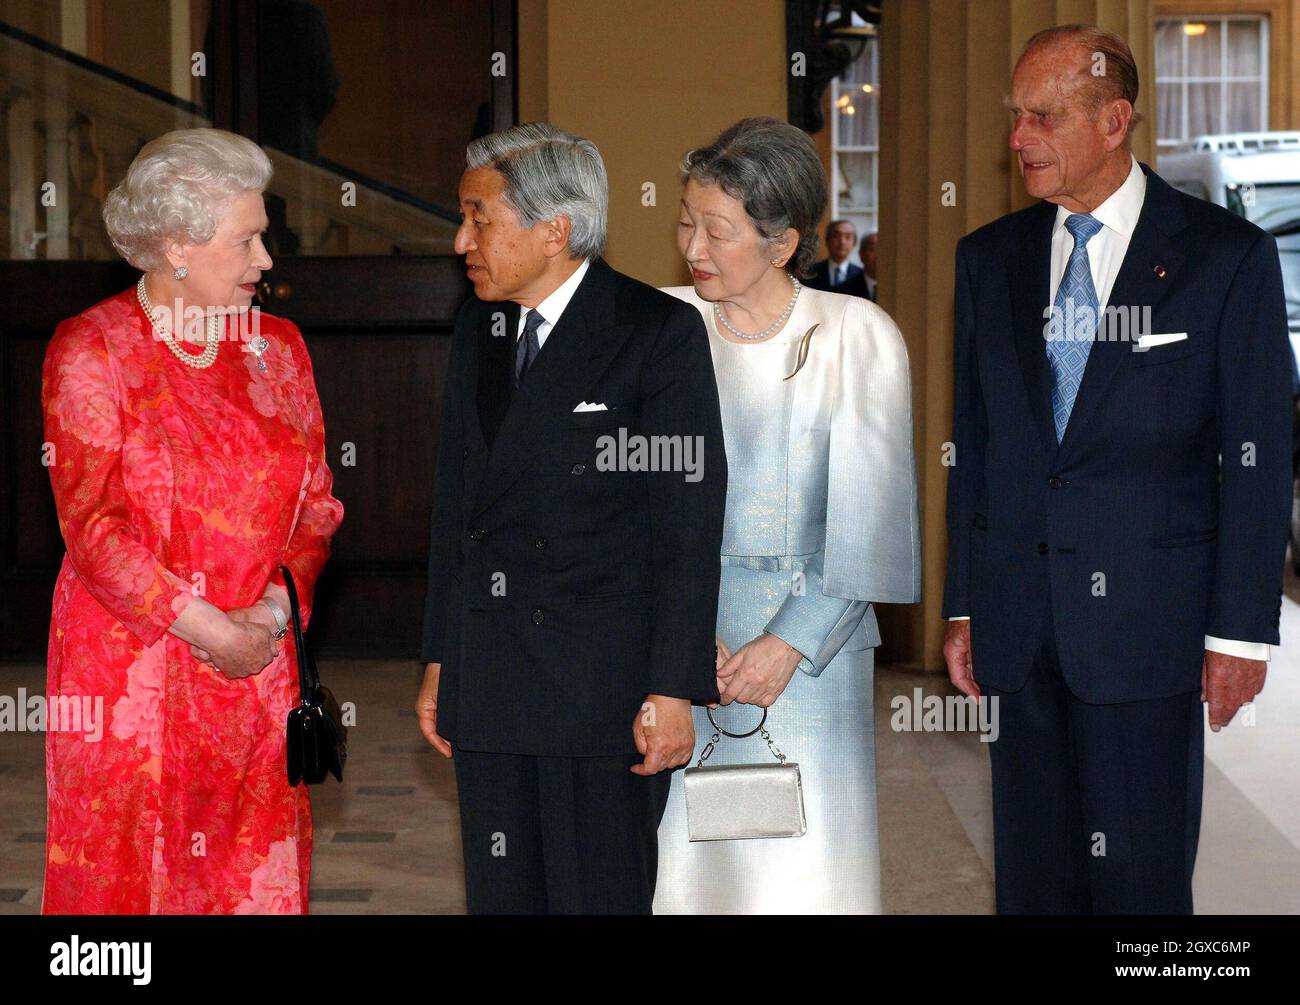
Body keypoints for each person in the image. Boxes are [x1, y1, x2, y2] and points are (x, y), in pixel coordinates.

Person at [942, 25, 1292, 914]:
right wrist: (966, 602)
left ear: (1115, 120)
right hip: (1018, 629)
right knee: (1034, 881)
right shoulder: (990, 260)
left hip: (1151, 630)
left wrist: (1240, 632)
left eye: (1042, 117)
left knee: (1139, 884)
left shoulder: (1224, 257)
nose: (1018, 138)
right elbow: (974, 448)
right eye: (1015, 117)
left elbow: (1257, 457)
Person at [416, 123, 727, 914]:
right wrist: (440, 657)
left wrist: (672, 686)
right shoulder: (477, 329)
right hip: (489, 675)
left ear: (555, 229)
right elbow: (457, 508)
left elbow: (688, 525)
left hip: (604, 692)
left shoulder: (654, 333)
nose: (461, 241)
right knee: (504, 894)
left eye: (479, 218)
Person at [41, 128, 344, 914]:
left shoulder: (278, 348)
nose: (267, 258)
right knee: (135, 883)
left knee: (250, 880)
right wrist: (214, 631)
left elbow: (318, 503)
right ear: (176, 244)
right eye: (247, 238)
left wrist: (272, 616)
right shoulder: (93, 349)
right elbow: (95, 529)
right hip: (137, 668)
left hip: (260, 661)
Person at [655, 117, 921, 914]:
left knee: (803, 876)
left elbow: (870, 521)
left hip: (813, 652)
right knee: (682, 870)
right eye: (685, 219)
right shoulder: (659, 327)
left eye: (718, 229)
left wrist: (788, 641)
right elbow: (622, 499)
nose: (693, 244)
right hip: (679, 646)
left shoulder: (853, 334)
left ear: (781, 243)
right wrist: (671, 626)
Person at [806, 219, 863, 292]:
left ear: (854, 243)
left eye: (848, 237)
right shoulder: (810, 273)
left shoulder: (861, 275)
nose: (842, 242)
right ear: (827, 240)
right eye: (836, 236)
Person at [841, 231, 878, 301]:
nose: (878, 255)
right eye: (872, 249)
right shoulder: (843, 291)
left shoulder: (898, 289)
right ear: (861, 254)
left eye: (883, 250)